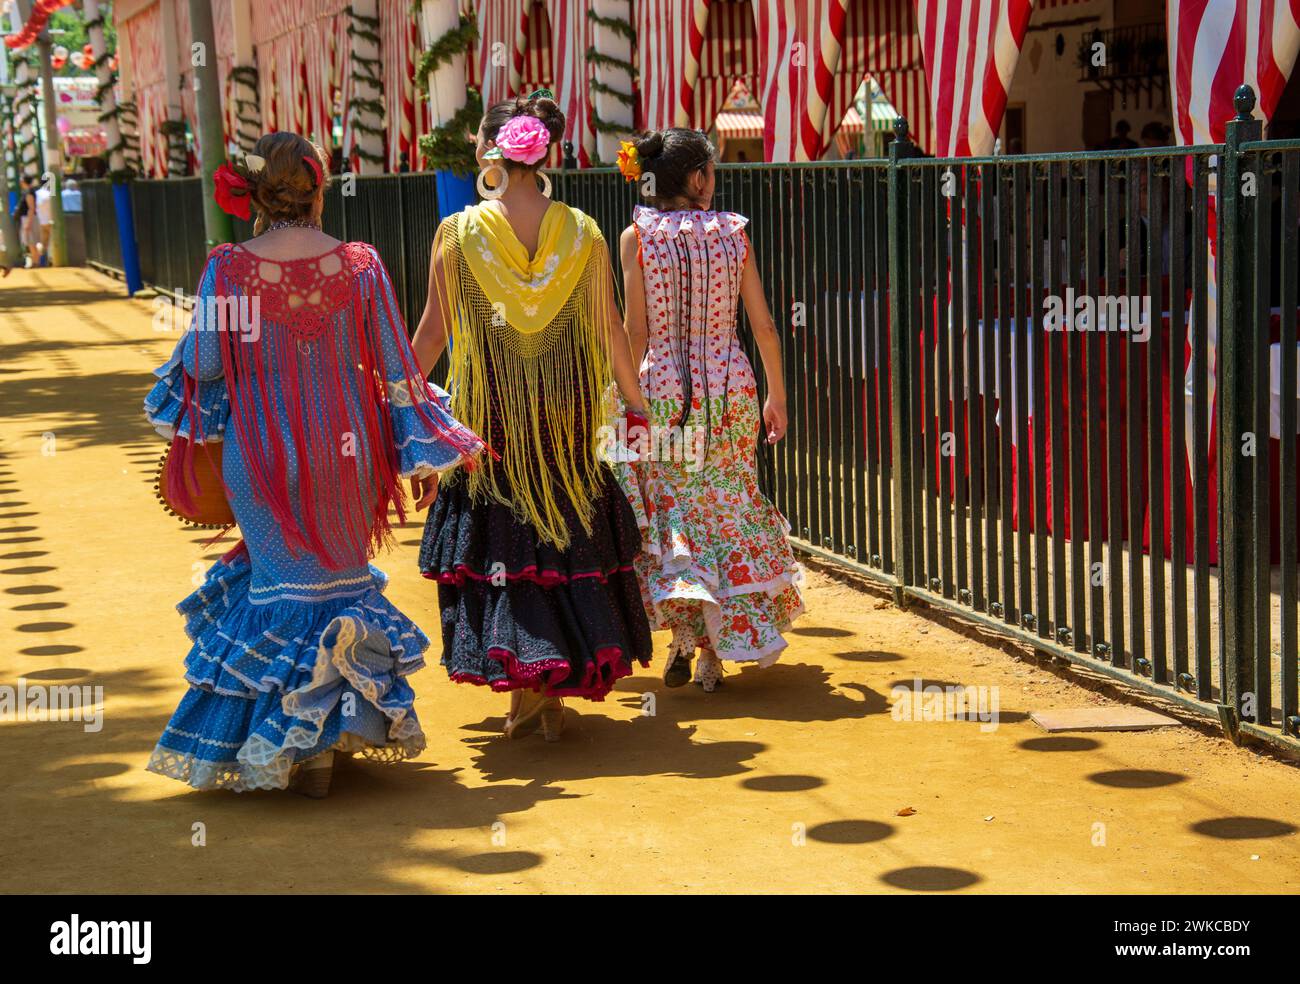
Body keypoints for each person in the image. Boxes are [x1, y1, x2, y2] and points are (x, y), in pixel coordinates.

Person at [144, 131, 484, 797]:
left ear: (255, 196)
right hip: (346, 454)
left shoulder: (230, 268)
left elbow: (206, 364)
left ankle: (298, 747)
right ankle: (330, 744)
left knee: (282, 593)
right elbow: (396, 365)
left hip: (263, 455)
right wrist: (424, 448)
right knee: (339, 588)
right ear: (317, 188)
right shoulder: (358, 264)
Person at [413, 92, 653, 741]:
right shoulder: (583, 233)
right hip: (566, 426)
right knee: (561, 542)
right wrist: (636, 406)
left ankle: (524, 686)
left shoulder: (458, 235)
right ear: (544, 151)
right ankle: (553, 685)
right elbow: (609, 332)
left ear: (490, 152)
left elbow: (433, 336)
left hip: (488, 422)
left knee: (503, 548)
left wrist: (405, 413)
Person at [613, 128, 803, 692]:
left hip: (664, 395)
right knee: (726, 506)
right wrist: (777, 396)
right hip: (733, 392)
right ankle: (713, 657)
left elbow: (636, 330)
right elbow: (764, 325)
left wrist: (625, 401)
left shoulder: (636, 238)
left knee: (675, 511)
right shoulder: (732, 235)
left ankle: (680, 637)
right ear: (698, 179)